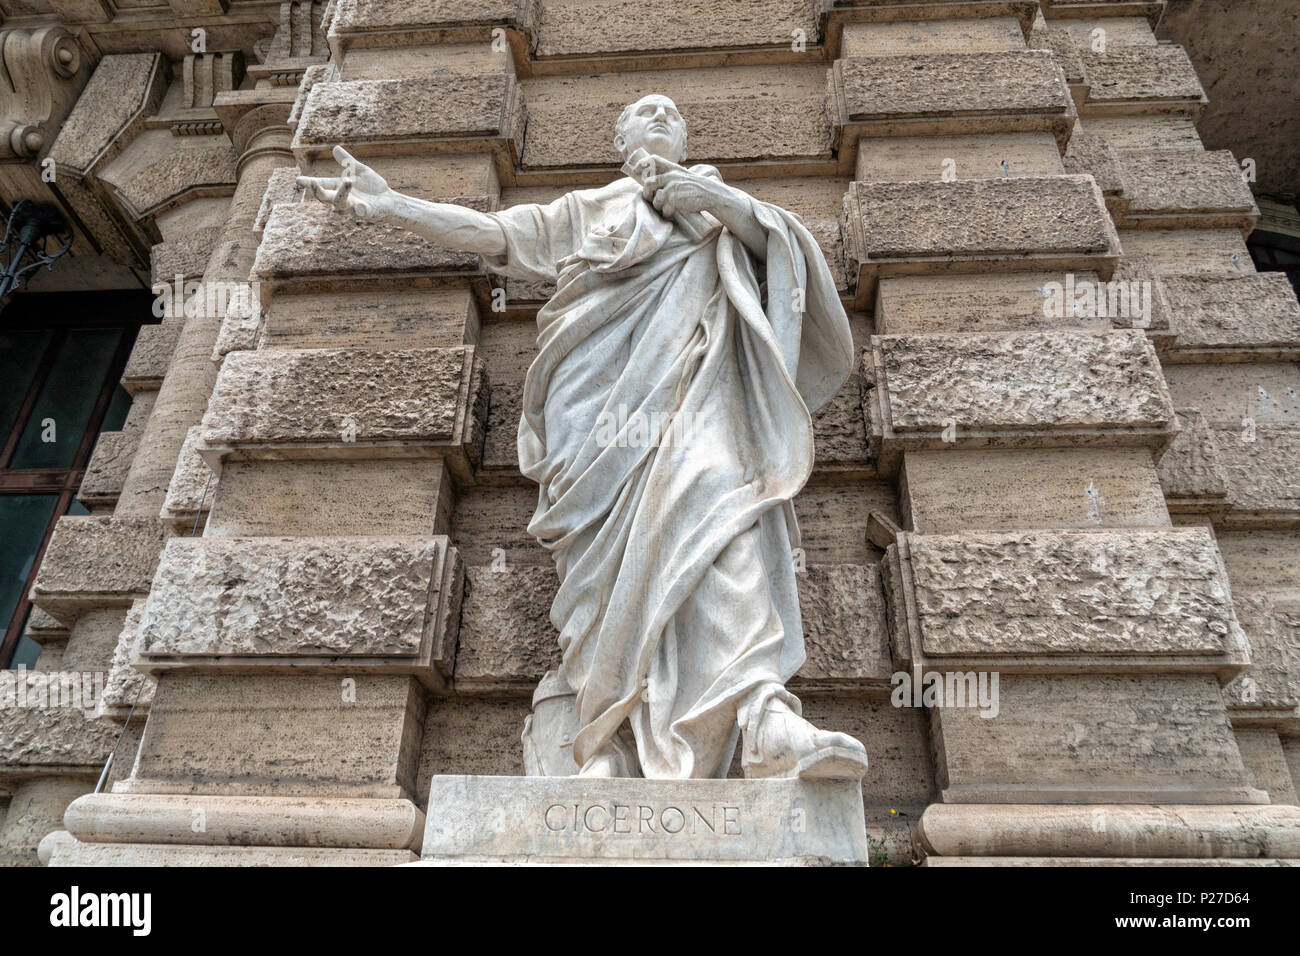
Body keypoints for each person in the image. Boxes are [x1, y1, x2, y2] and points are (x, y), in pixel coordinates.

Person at [299, 94, 869, 781]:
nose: (660, 112)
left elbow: (789, 262)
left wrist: (719, 202)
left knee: (730, 517)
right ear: (620, 135)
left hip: (698, 402)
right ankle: (604, 742)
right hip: (595, 416)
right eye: (643, 110)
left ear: (684, 138)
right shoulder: (585, 210)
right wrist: (394, 205)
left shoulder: (718, 207)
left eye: (672, 112)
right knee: (603, 582)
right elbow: (494, 234)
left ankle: (762, 716)